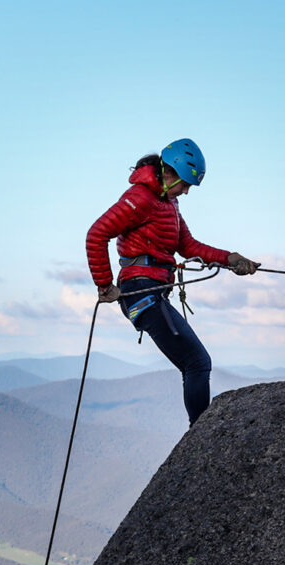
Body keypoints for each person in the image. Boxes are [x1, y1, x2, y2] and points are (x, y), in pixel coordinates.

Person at [84, 138, 260, 426]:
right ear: (170, 174)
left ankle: (199, 435)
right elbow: (96, 234)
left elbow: (188, 246)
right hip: (141, 292)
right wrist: (104, 285)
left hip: (153, 293)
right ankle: (200, 437)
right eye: (185, 183)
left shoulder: (169, 203)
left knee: (196, 363)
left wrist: (230, 259)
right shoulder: (140, 198)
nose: (187, 191)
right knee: (197, 363)